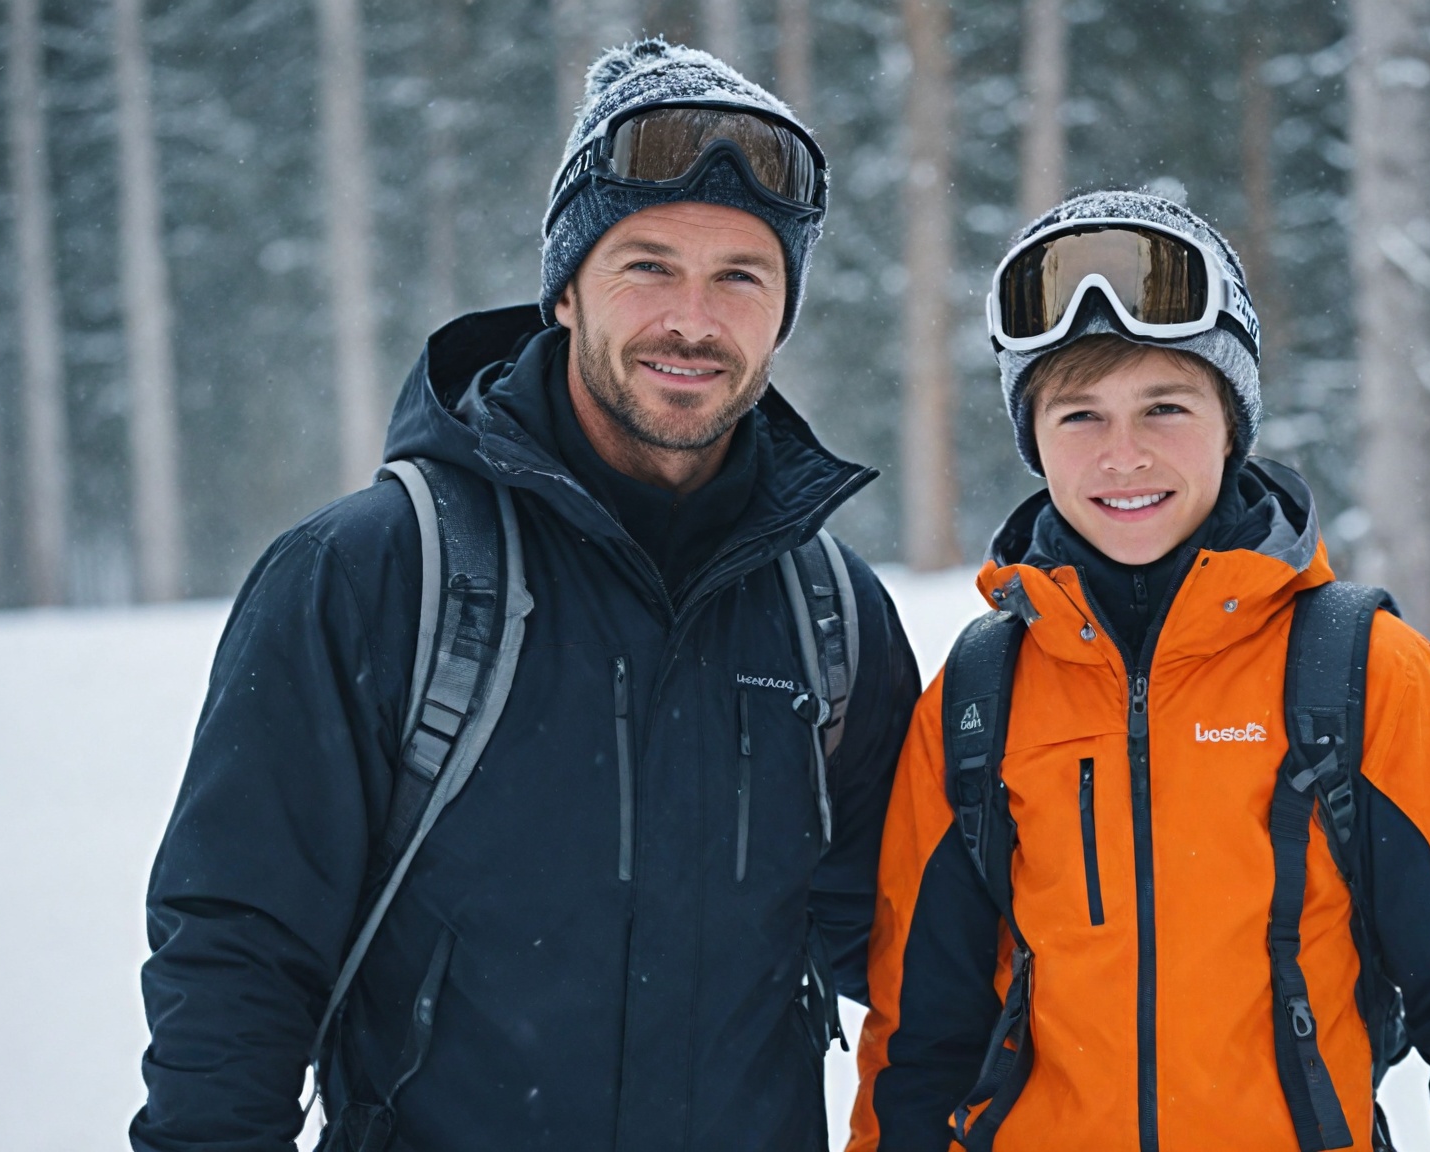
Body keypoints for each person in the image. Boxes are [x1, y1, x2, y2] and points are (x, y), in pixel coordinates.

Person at [132, 40, 919, 1152]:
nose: (692, 319)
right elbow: (238, 954)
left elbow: (912, 949)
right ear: (563, 291)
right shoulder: (375, 573)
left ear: (782, 313)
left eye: (741, 275)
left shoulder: (829, 614)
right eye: (647, 265)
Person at [847, 191, 1430, 1151]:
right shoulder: (980, 694)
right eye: (1079, 415)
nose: (1124, 456)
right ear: (1033, 441)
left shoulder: (1355, 668)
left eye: (1166, 406)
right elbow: (919, 1036)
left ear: (1231, 423)